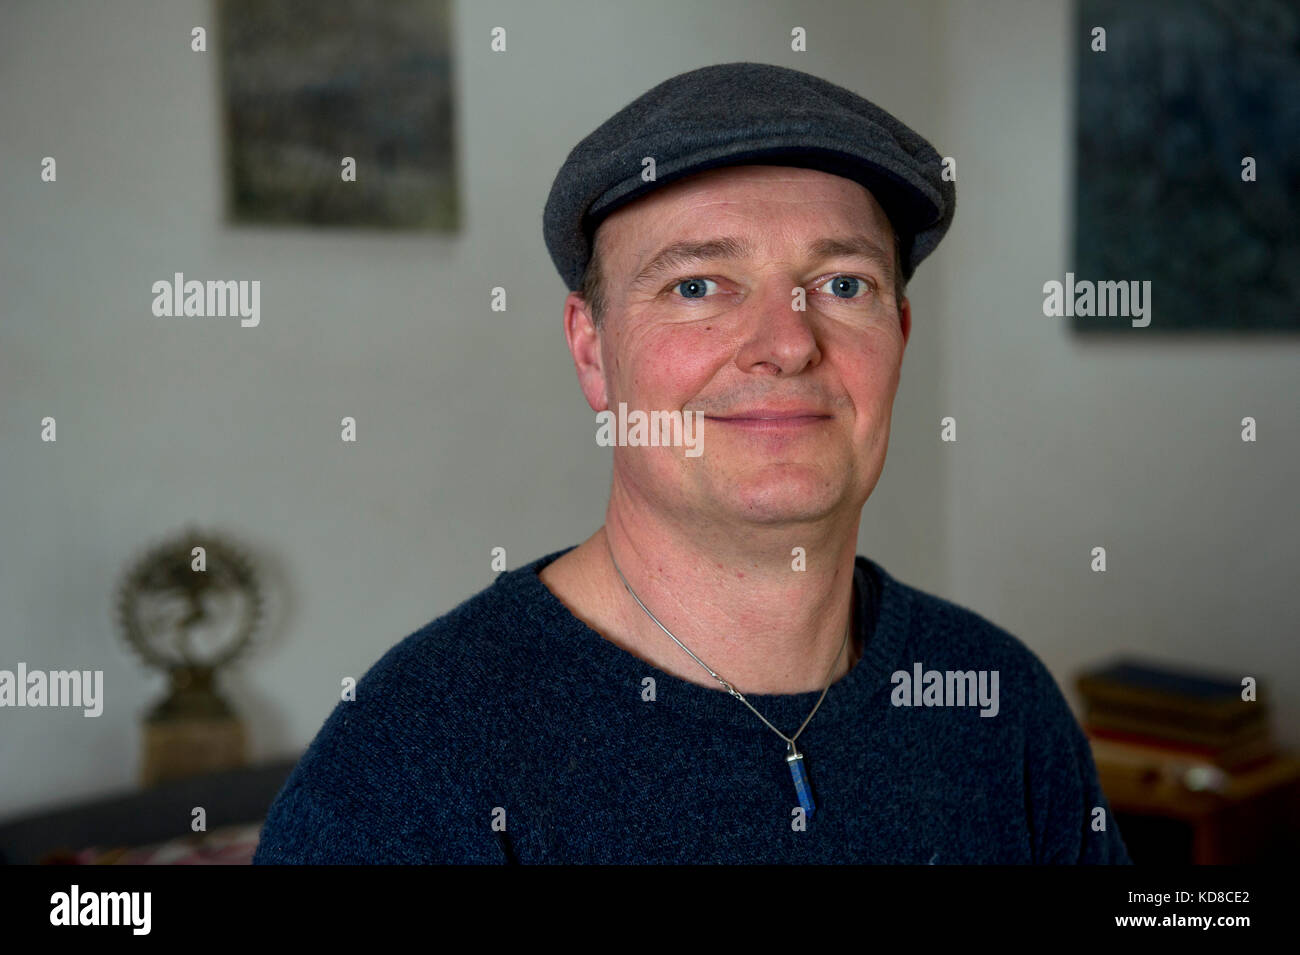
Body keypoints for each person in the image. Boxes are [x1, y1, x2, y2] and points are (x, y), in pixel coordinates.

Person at [254, 62, 1131, 864]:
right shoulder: (409, 764)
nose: (786, 345)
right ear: (592, 352)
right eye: (698, 286)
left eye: (842, 285)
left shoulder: (997, 700)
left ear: (898, 338)